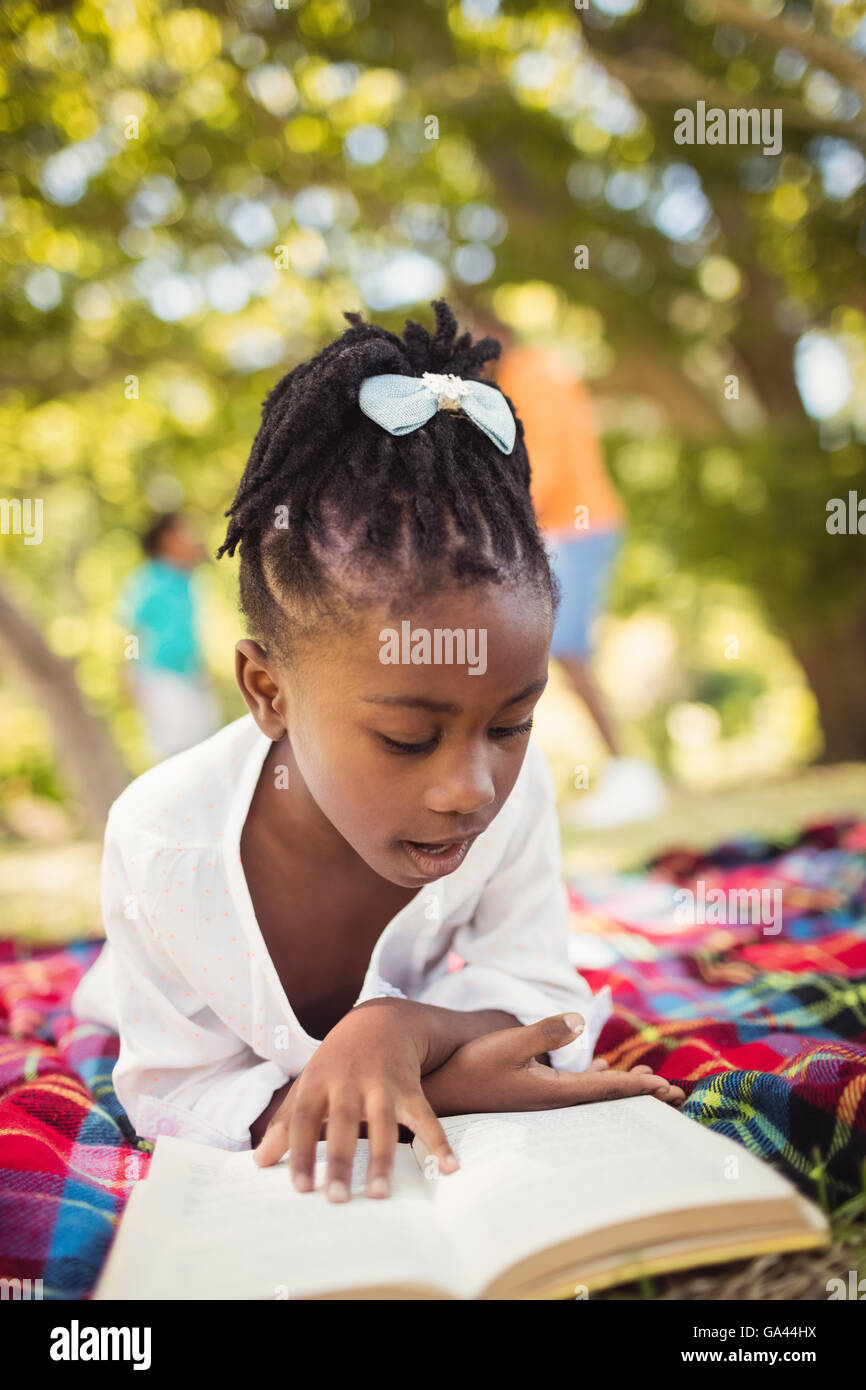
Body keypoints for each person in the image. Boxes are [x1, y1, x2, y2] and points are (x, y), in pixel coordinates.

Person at [72, 302, 684, 1205]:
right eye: (407, 737)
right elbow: (172, 1094)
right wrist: (437, 1077)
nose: (472, 789)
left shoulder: (518, 796)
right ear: (267, 693)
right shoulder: (164, 847)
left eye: (512, 725)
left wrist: (400, 1030)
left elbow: (546, 1002)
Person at [486, 315, 668, 828]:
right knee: (542, 649)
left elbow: (546, 461)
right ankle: (618, 773)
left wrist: (505, 518)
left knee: (563, 646)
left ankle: (630, 774)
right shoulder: (534, 372)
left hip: (575, 526)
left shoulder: (530, 375)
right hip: (569, 526)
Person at [120, 511, 220, 760]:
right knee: (176, 747)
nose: (192, 538)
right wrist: (130, 672)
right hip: (160, 675)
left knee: (205, 740)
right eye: (184, 532)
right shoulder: (148, 580)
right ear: (167, 539)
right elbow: (131, 631)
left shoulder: (185, 579)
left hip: (190, 675)